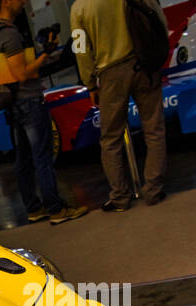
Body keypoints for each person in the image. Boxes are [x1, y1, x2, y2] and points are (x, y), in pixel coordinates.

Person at [0, 0, 89, 224]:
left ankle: (34, 208)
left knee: (23, 160)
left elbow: (11, 72)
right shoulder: (9, 34)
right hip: (29, 102)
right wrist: (46, 54)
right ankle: (55, 208)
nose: (23, 2)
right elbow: (22, 74)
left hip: (15, 104)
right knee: (42, 157)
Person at [72, 0, 168, 209]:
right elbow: (158, 17)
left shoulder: (79, 7)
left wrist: (90, 84)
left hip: (110, 75)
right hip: (144, 65)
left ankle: (120, 197)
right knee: (154, 129)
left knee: (111, 139)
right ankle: (153, 190)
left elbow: (80, 50)